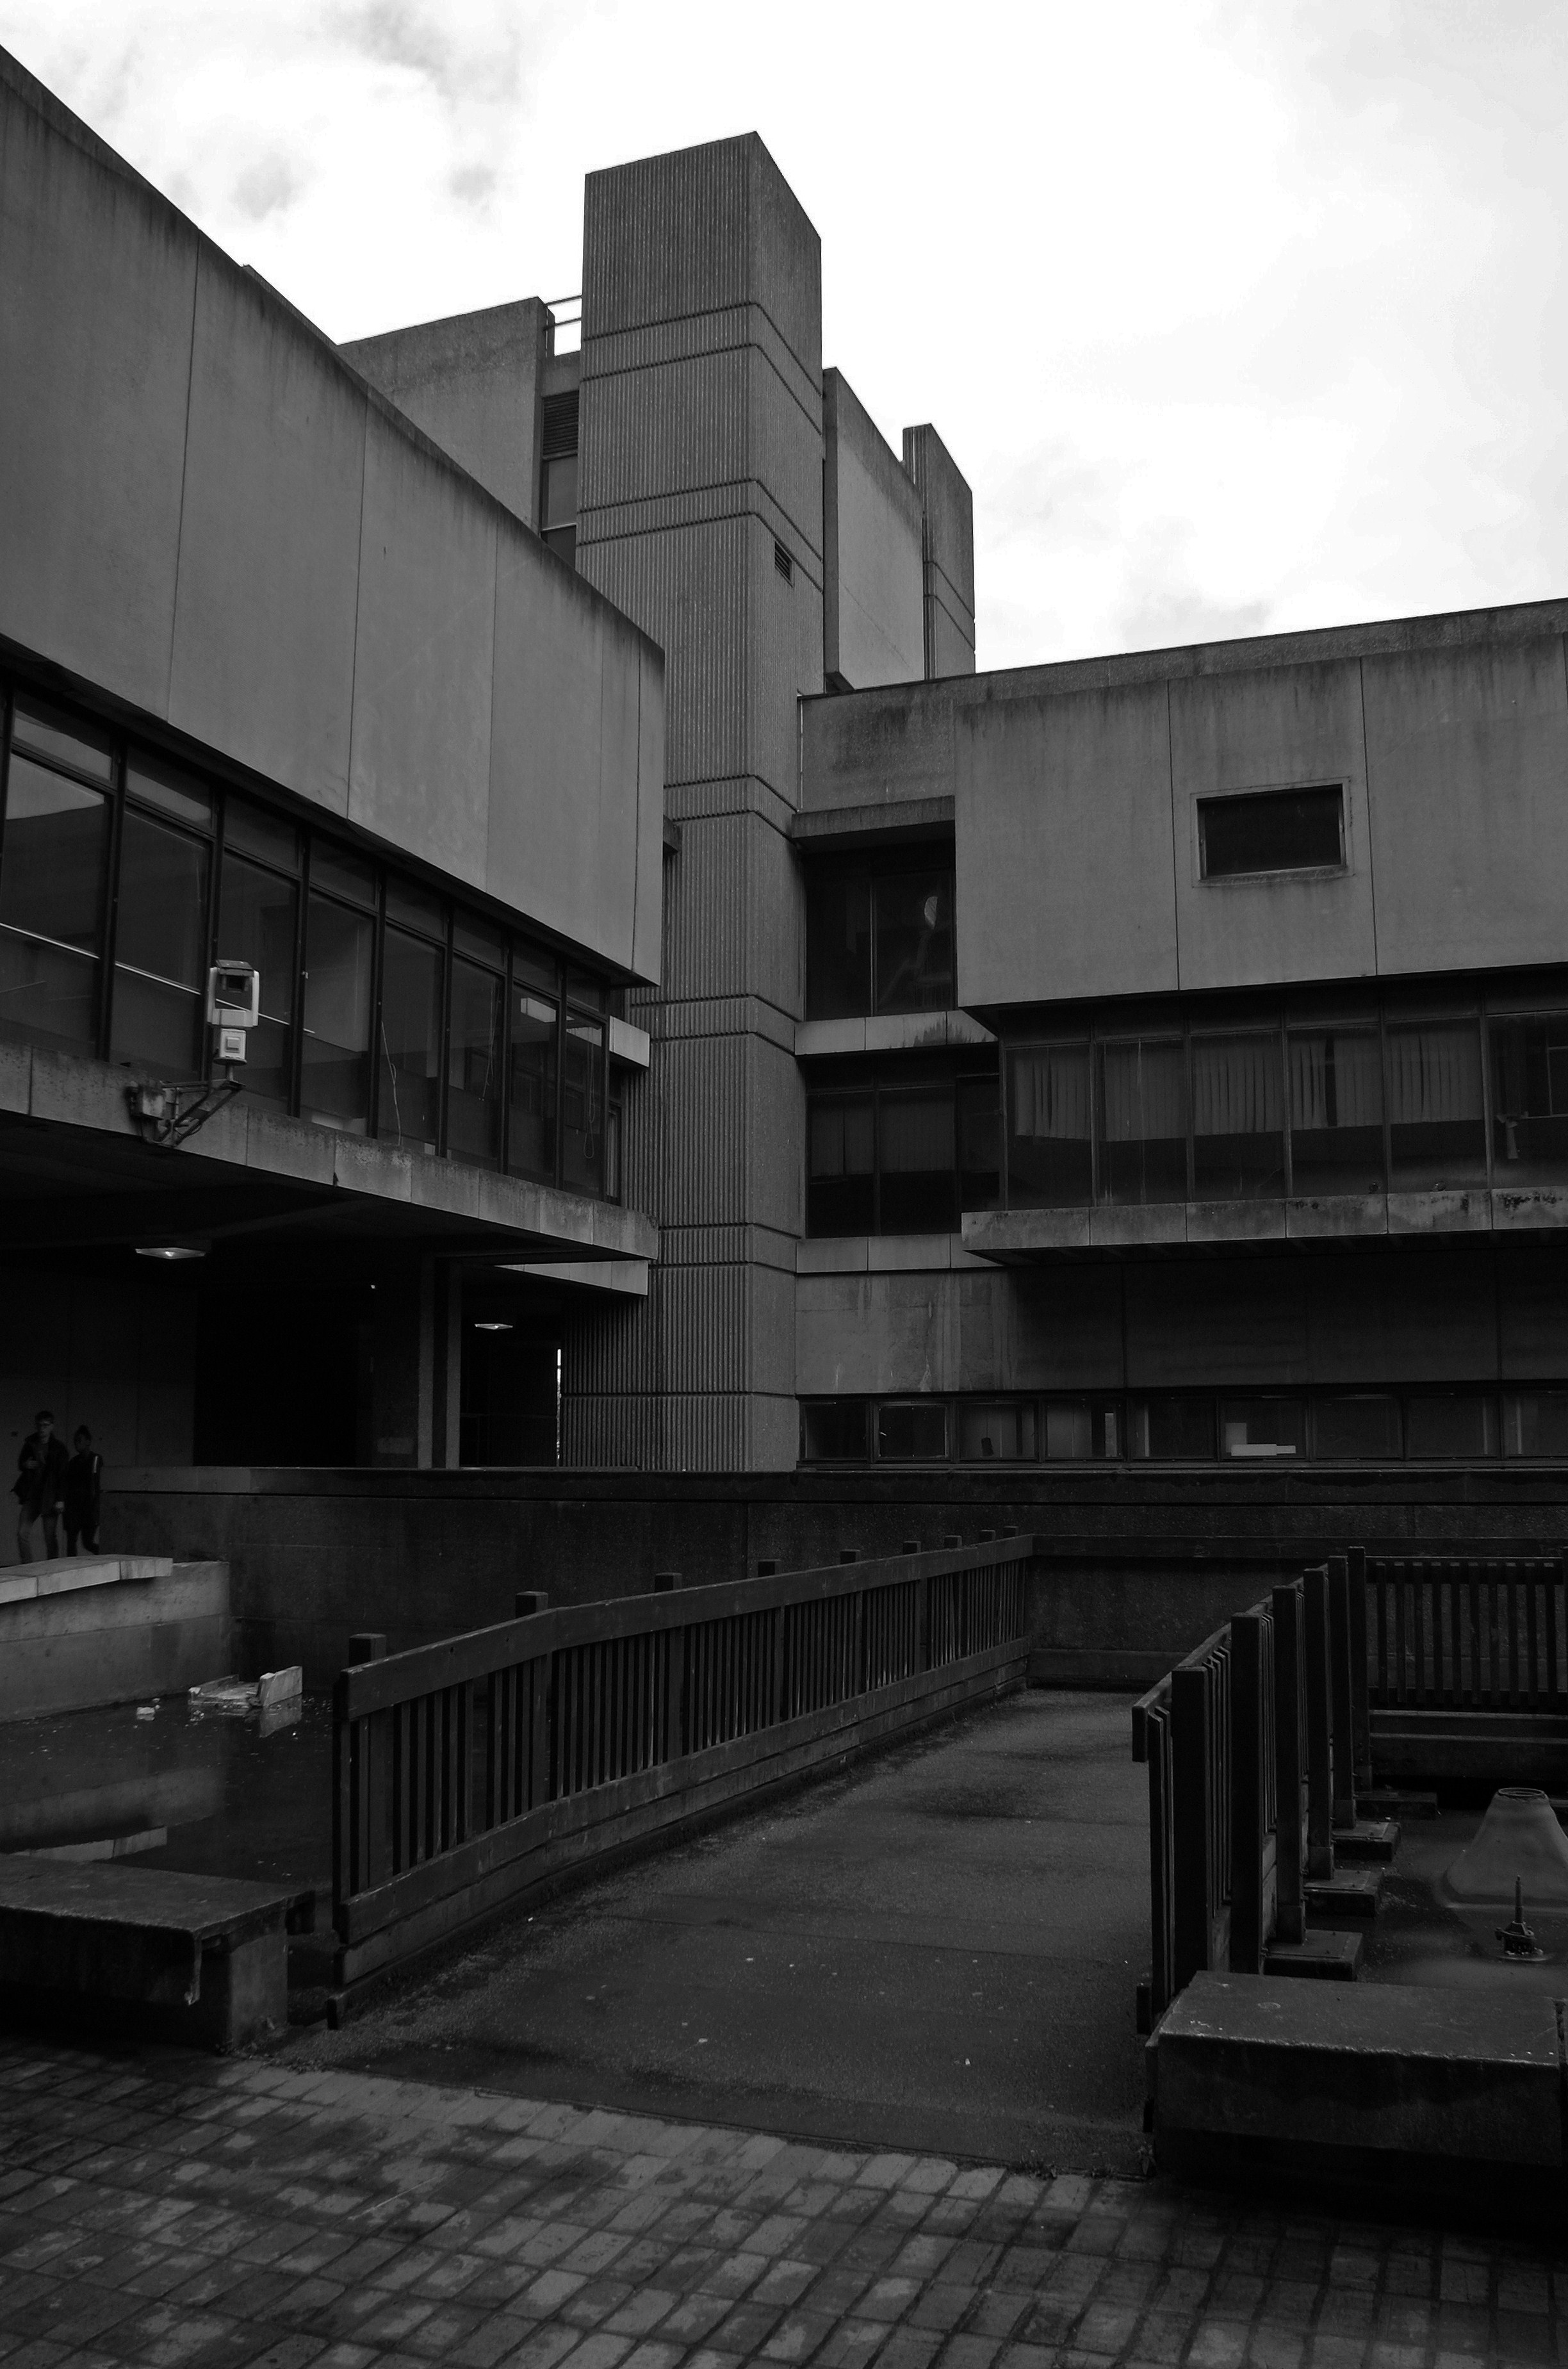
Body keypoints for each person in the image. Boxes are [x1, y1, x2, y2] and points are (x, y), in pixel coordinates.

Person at [13, 1409, 69, 1562]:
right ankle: (28, 1566)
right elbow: (21, 1463)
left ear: (52, 1426)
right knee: (22, 1533)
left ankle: (52, 1568)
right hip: (33, 1495)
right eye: (40, 1426)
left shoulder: (58, 1448)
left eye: (45, 1425)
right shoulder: (31, 1443)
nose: (42, 1429)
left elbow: (63, 1476)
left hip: (49, 1496)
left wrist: (60, 1499)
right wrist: (26, 1464)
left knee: (50, 1537)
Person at [64, 1426, 103, 1555]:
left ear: (88, 1442)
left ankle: (103, 1556)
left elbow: (97, 1483)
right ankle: (71, 1567)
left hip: (89, 1508)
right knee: (71, 1540)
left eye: (79, 1440)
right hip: (75, 1508)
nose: (76, 1443)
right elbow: (69, 1485)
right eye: (75, 1441)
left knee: (87, 1543)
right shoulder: (74, 1462)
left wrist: (96, 1506)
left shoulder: (96, 1460)